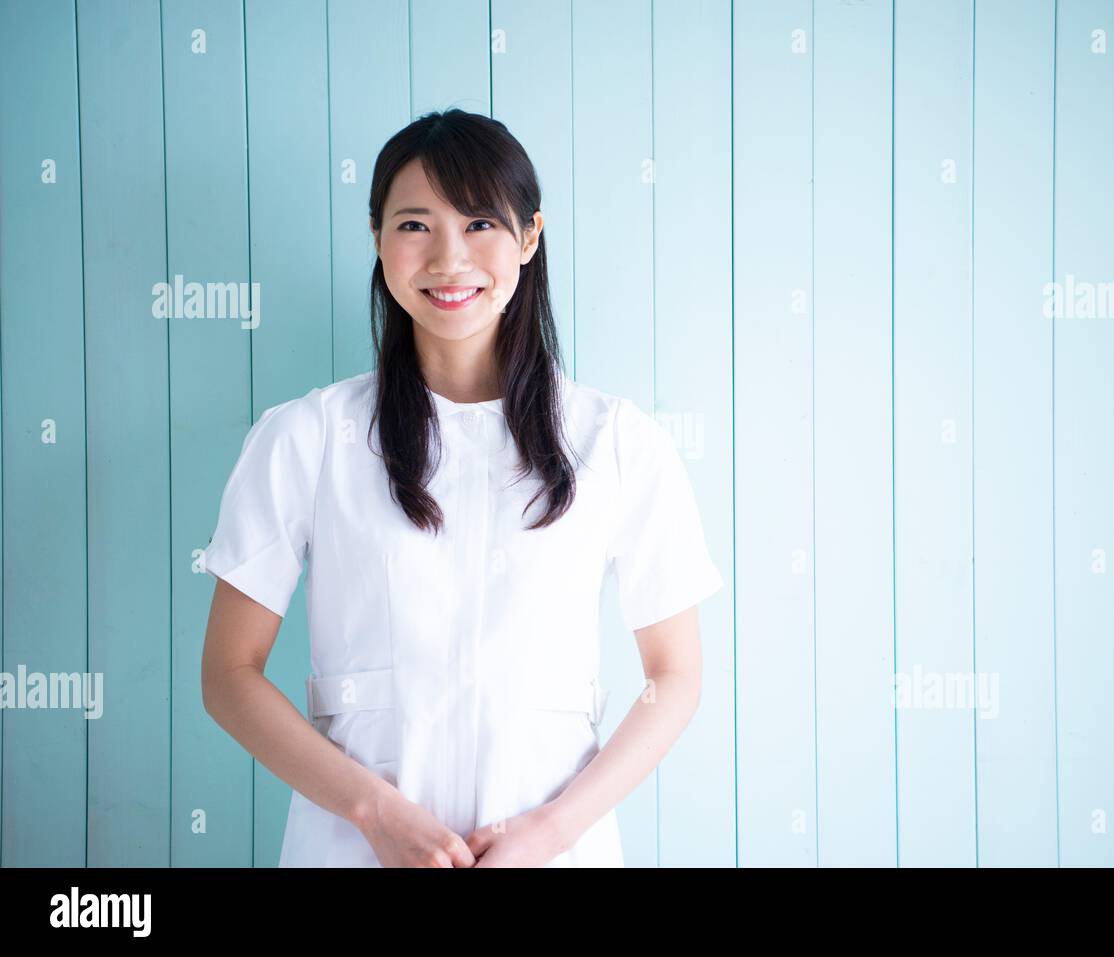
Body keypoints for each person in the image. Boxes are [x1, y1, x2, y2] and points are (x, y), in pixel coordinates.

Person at [199, 109, 724, 867]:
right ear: (377, 238)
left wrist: (553, 830)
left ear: (530, 237)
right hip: (352, 849)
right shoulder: (306, 437)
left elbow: (674, 676)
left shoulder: (617, 442)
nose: (450, 257)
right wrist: (372, 812)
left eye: (481, 222)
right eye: (415, 225)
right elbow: (228, 674)